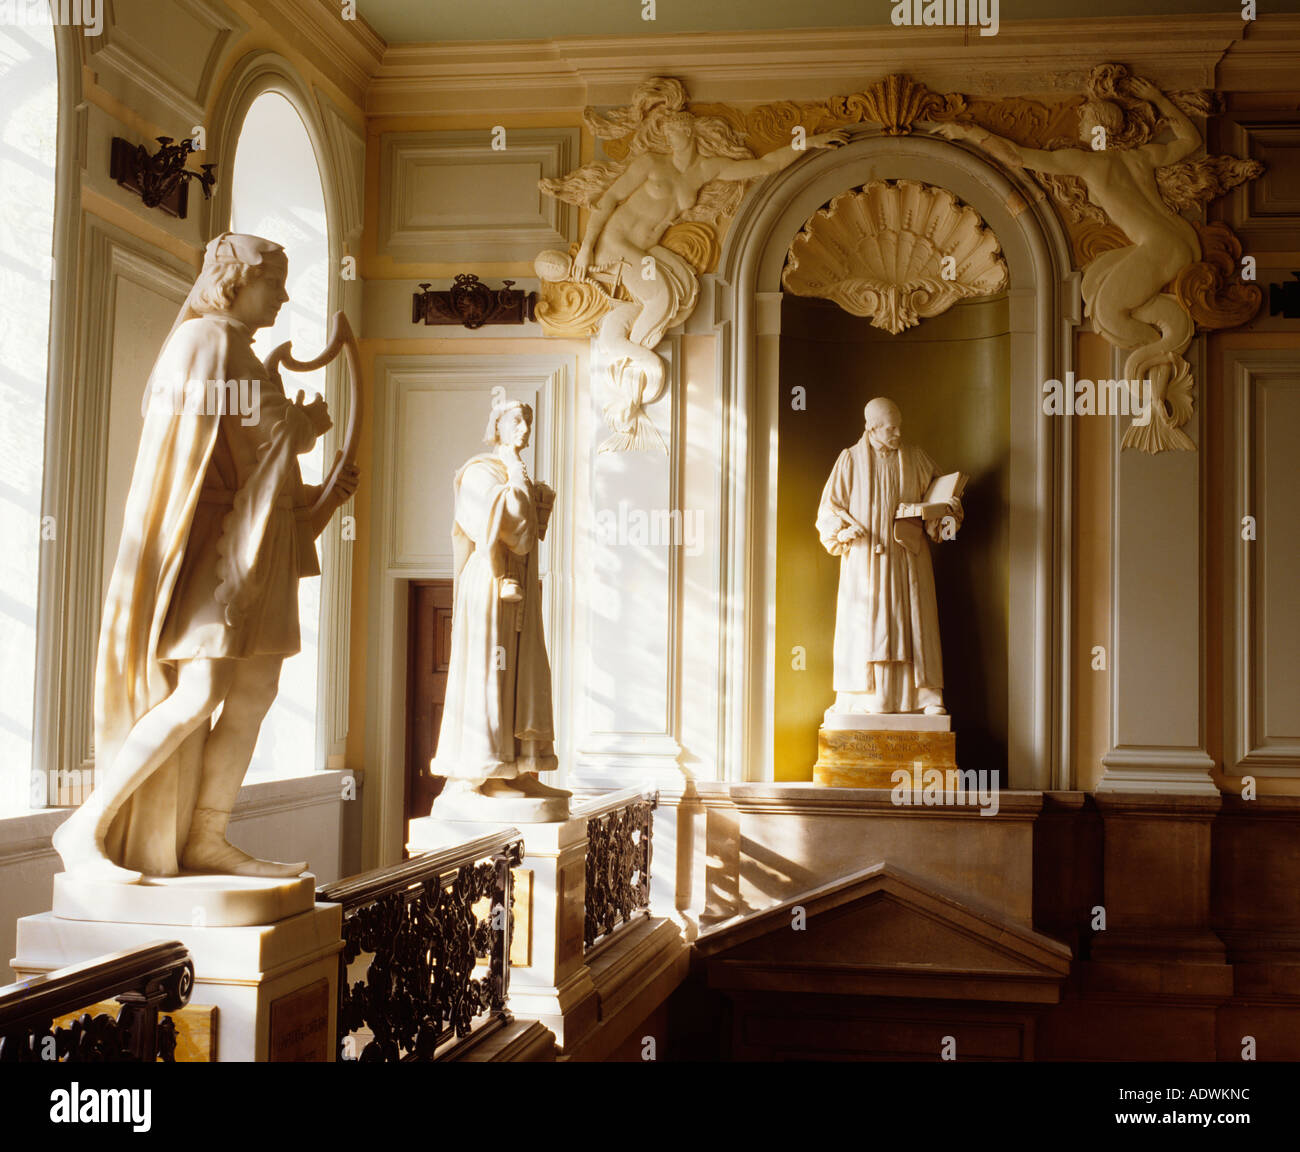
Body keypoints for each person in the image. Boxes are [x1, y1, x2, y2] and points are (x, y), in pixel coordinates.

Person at [52, 232, 359, 883]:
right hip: (218, 543)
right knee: (199, 689)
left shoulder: (238, 351)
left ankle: (206, 835)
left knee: (256, 689)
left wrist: (318, 497)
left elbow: (261, 458)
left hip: (263, 538)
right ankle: (85, 827)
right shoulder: (207, 342)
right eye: (272, 282)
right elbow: (237, 442)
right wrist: (302, 430)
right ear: (235, 280)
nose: (282, 295)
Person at [430, 400, 569, 804]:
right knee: (492, 670)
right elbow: (510, 527)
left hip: (520, 586)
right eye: (515, 421)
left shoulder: (511, 471)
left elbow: (529, 525)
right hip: (491, 584)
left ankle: (520, 768)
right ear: (497, 427)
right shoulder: (479, 472)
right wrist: (516, 476)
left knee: (523, 671)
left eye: (528, 421)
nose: (524, 428)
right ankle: (486, 772)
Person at [816, 397, 962, 716]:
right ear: (872, 427)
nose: (898, 433)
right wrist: (841, 532)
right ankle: (864, 696)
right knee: (867, 625)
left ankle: (922, 696)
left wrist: (945, 511)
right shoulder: (850, 460)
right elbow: (829, 508)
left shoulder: (915, 457)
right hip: (865, 559)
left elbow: (940, 497)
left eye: (899, 426)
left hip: (907, 557)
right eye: (891, 428)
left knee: (913, 625)